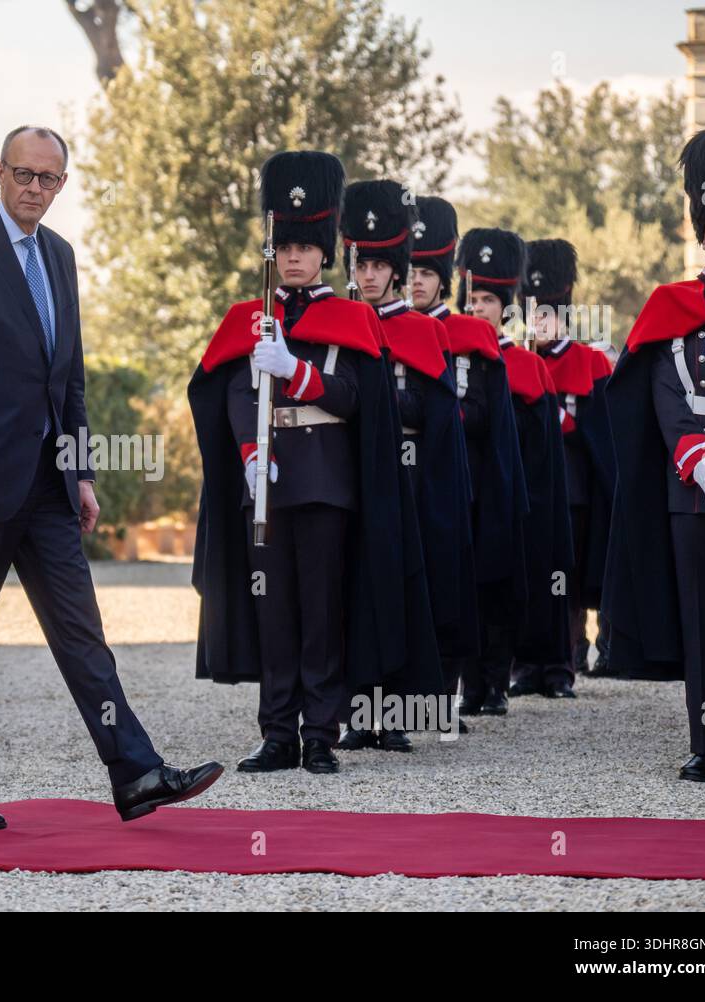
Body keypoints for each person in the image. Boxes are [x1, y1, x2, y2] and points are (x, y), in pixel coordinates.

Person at [0, 125, 223, 827]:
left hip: (50, 488)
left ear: (62, 184)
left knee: (83, 634)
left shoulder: (60, 256)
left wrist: (80, 471)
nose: (34, 188)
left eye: (48, 179)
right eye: (23, 174)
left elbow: (70, 378)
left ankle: (136, 773)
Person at [189, 150, 443, 774]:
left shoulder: (353, 319)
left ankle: (319, 736)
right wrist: (250, 456)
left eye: (307, 246)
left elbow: (361, 400)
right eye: (287, 245)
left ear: (326, 253)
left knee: (322, 614)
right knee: (273, 610)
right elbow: (230, 395)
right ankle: (277, 732)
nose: (296, 256)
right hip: (267, 481)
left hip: (328, 481)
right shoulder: (252, 318)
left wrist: (297, 373)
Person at [603, 126, 705, 783]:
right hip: (692, 476)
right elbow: (662, 389)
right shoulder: (674, 305)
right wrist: (691, 451)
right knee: (701, 612)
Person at [336, 180, 477, 750]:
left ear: (397, 269)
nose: (369, 275)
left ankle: (399, 715)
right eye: (361, 264)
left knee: (405, 594)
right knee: (354, 595)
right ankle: (355, 715)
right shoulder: (339, 321)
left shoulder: (422, 330)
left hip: (409, 479)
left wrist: (370, 399)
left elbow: (432, 409)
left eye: (379, 265)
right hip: (349, 478)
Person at [410, 197, 529, 725]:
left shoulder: (469, 339)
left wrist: (436, 413)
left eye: (424, 273)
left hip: (473, 480)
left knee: (474, 584)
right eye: (407, 272)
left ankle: (471, 685)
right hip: (414, 479)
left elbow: (480, 414)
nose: (414, 282)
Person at [456, 228, 572, 713]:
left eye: (488, 299)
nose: (478, 307)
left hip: (508, 493)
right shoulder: (453, 355)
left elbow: (544, 451)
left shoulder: (526, 365)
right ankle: (469, 685)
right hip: (464, 490)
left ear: (506, 306)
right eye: (473, 298)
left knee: (501, 586)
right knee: (465, 588)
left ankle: (497, 683)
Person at [513, 240, 616, 697]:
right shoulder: (512, 361)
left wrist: (554, 415)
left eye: (547, 314)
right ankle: (525, 666)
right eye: (532, 314)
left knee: (564, 581)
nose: (540, 324)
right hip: (525, 488)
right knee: (527, 577)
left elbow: (600, 432)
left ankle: (561, 665)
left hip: (573, 490)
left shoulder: (589, 361)